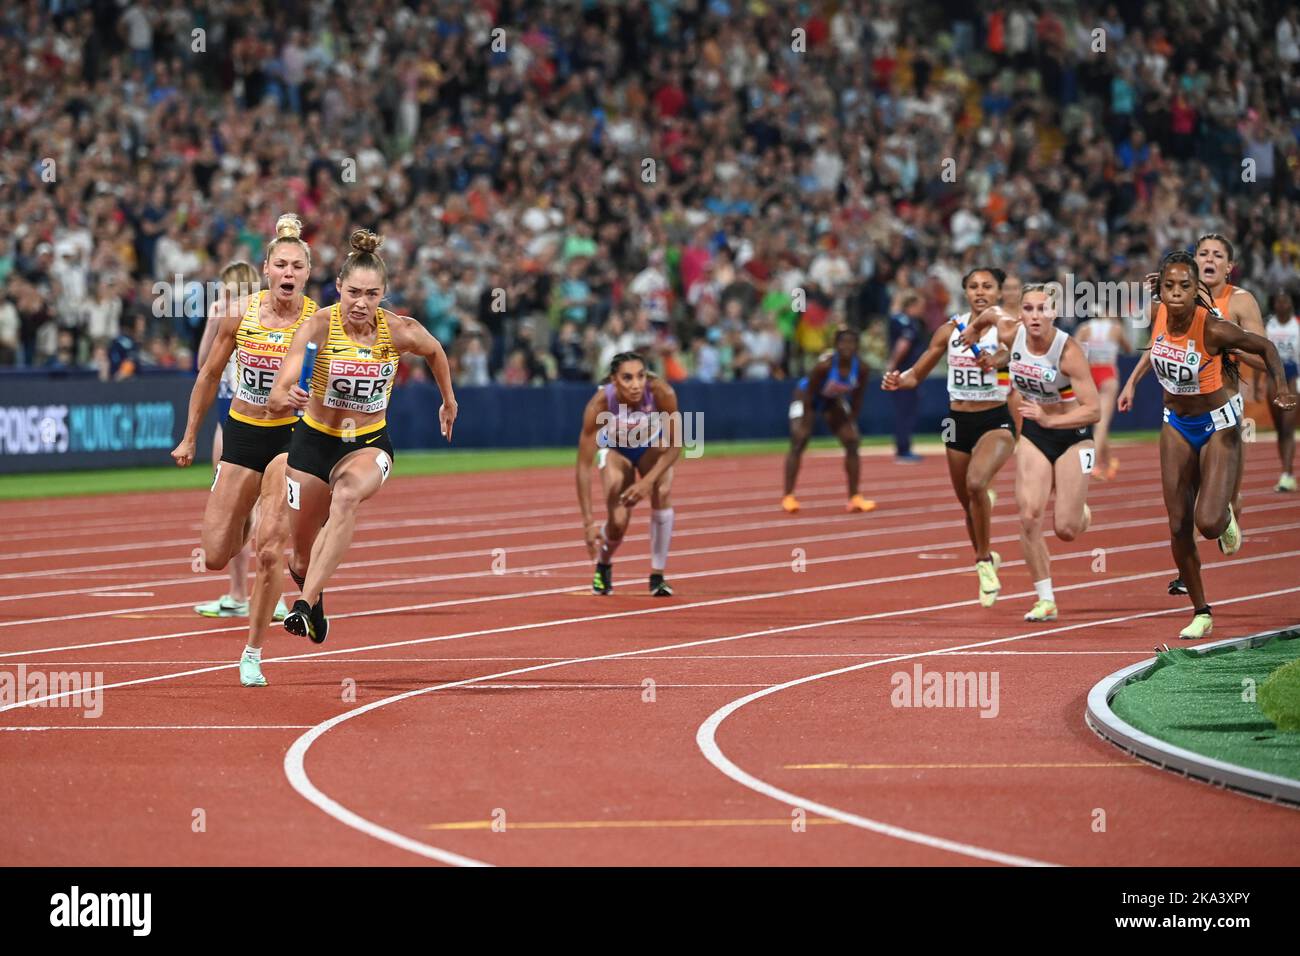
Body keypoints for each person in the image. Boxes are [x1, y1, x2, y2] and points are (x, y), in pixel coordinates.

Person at [270, 229, 456, 644]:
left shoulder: (399, 330)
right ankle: (313, 603)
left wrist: (448, 400)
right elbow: (280, 386)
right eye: (354, 292)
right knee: (300, 557)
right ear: (338, 287)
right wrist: (289, 394)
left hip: (368, 444)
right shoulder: (318, 326)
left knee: (348, 496)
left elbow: (435, 351)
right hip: (313, 442)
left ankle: (302, 605)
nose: (361, 303)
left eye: (372, 295)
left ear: (383, 295)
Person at [170, 215, 317, 686]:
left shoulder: (320, 322)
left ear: (307, 274)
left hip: (290, 438)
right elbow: (209, 376)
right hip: (242, 433)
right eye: (281, 264)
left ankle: (252, 652)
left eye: (297, 265)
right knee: (214, 552)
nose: (288, 272)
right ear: (267, 268)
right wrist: (191, 434)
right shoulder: (240, 314)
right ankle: (246, 518)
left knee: (270, 547)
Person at [1117, 252, 1294, 639]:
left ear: (1197, 289)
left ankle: (1226, 510)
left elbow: (1265, 347)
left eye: (1184, 286)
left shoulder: (1213, 327)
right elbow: (1153, 349)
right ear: (1160, 290)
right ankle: (1201, 610)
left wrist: (1281, 388)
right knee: (1179, 523)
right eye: (1169, 286)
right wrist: (1130, 383)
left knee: (1208, 523)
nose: (1176, 293)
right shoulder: (1161, 315)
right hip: (1176, 423)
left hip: (1218, 426)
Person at [883, 267, 1017, 607]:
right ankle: (984, 552)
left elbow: (1013, 354)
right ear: (965, 292)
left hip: (995, 419)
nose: (980, 291)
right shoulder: (950, 330)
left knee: (976, 484)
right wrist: (900, 380)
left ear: (999, 293)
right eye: (974, 286)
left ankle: (983, 562)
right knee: (968, 504)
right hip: (956, 422)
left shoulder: (1007, 329)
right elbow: (919, 373)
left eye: (988, 286)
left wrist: (997, 359)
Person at [982, 285, 1101, 622]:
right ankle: (1045, 598)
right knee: (1029, 515)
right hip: (1035, 433)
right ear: (1021, 313)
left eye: (1042, 309)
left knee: (1065, 528)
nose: (1035, 315)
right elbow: (989, 313)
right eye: (1029, 309)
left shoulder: (1069, 351)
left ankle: (1080, 513)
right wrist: (974, 340)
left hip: (1073, 435)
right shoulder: (1011, 333)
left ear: (1054, 313)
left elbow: (1094, 411)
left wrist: (1052, 418)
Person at [190, 261, 288, 623]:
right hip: (231, 417)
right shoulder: (228, 319)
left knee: (270, 507)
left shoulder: (265, 318)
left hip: (271, 419)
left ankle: (271, 592)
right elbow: (203, 365)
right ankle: (236, 592)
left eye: (230, 291)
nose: (225, 297)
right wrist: (214, 322)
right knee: (234, 508)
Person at [576, 351, 680, 596]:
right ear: (614, 380)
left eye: (640, 376)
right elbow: (583, 466)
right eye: (627, 378)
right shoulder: (599, 404)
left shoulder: (661, 393)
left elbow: (676, 445)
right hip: (616, 451)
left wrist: (646, 483)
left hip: (650, 448)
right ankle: (603, 564)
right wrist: (588, 522)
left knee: (662, 489)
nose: (636, 385)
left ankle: (657, 575)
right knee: (618, 523)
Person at [782, 327, 875, 513]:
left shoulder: (862, 369)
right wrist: (809, 421)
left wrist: (851, 420)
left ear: (857, 346)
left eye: (851, 342)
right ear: (836, 345)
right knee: (799, 439)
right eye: (843, 342)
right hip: (806, 398)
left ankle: (854, 497)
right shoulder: (824, 366)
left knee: (852, 440)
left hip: (831, 400)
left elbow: (857, 398)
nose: (847, 346)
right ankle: (788, 496)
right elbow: (809, 394)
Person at [1073, 310, 1131, 480]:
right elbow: (1128, 348)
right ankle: (1096, 463)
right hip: (1107, 373)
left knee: (1095, 421)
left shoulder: (1084, 328)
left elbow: (1073, 350)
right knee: (1102, 422)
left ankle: (1106, 461)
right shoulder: (1116, 328)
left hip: (1089, 373)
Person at [885, 292, 927, 462]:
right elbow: (903, 344)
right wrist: (892, 364)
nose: (922, 310)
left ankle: (904, 447)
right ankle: (903, 449)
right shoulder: (907, 322)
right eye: (920, 306)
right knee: (905, 411)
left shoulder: (901, 320)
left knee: (906, 410)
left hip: (907, 372)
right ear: (912, 306)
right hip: (905, 374)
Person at [1265, 290, 1299, 491]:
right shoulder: (1269, 325)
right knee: (1279, 428)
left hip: (1293, 378)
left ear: (1291, 304)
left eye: (1285, 301)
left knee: (1288, 427)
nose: (1281, 305)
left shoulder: (1297, 326)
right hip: (1273, 379)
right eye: (1278, 301)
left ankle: (1287, 473)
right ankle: (1286, 471)